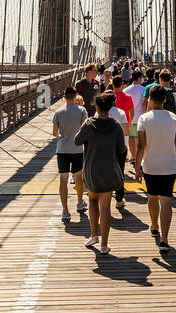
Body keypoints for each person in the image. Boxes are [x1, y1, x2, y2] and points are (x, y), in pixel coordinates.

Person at [74, 91, 127, 253]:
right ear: (110, 107)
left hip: (92, 170)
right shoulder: (116, 125)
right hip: (109, 170)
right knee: (106, 207)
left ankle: (93, 235)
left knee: (92, 201)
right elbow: (122, 149)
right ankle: (104, 244)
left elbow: (77, 141)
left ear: (97, 106)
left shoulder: (89, 124)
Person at [135, 85, 176, 253]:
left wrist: (137, 166)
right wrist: (173, 159)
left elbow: (140, 145)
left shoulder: (143, 119)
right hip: (169, 165)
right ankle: (164, 240)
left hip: (150, 165)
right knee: (166, 201)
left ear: (150, 100)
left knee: (152, 196)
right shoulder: (173, 118)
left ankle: (154, 226)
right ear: (164, 100)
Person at [51, 86, 87, 221]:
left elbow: (55, 133)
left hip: (62, 149)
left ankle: (65, 210)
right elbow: (85, 129)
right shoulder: (82, 111)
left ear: (64, 97)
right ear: (76, 96)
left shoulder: (58, 113)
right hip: (77, 148)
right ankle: (79, 202)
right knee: (78, 176)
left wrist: (63, 134)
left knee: (63, 179)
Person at [108, 77, 132, 214]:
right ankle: (119, 198)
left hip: (105, 147)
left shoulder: (98, 113)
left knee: (106, 169)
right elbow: (126, 131)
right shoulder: (121, 113)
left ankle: (106, 193)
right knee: (120, 172)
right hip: (120, 146)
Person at [123, 72, 147, 160]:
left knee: (131, 138)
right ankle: (138, 157)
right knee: (138, 139)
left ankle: (133, 156)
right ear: (138, 79)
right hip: (140, 117)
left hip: (129, 118)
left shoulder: (126, 90)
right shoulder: (144, 89)